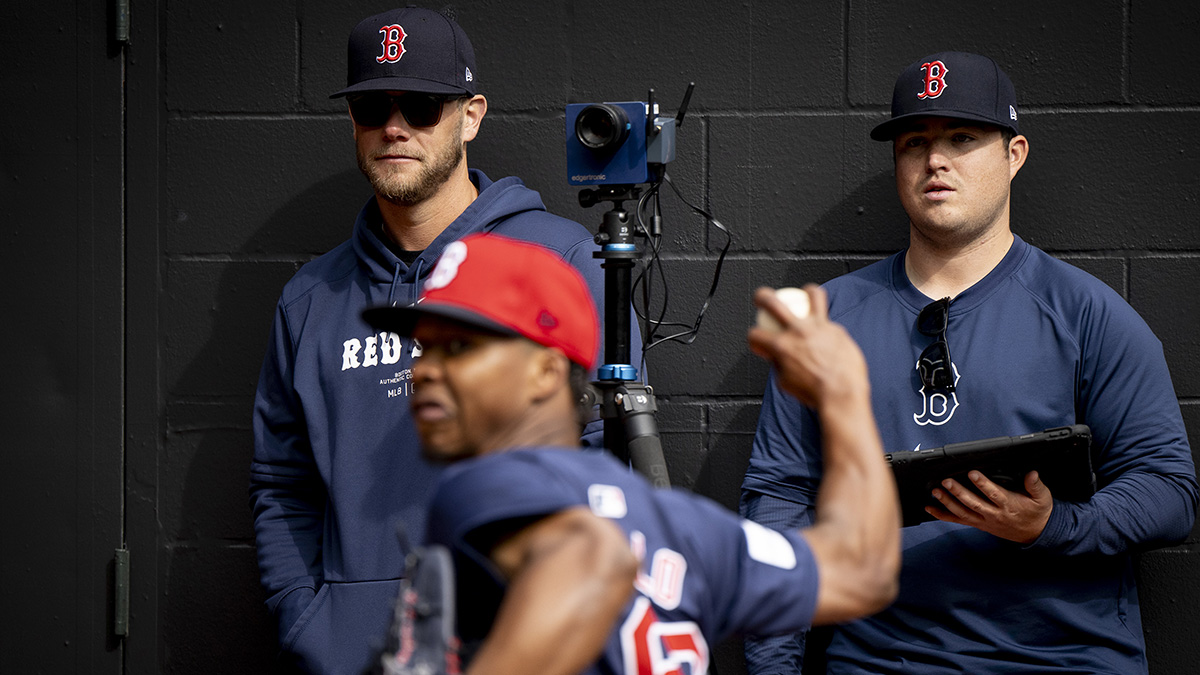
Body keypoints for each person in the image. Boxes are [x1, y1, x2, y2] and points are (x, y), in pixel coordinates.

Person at [740, 51, 1199, 674]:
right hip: (881, 660)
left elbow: (1169, 492)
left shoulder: (1087, 312)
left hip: (1059, 660)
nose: (935, 160)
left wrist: (1052, 525)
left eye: (963, 137)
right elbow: (780, 499)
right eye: (914, 142)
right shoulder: (826, 319)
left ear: (1014, 155)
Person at [248, 8, 633, 673]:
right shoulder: (311, 299)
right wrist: (309, 621)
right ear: (353, 121)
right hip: (354, 655)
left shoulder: (560, 261)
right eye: (373, 106)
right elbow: (282, 481)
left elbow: (609, 464)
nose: (394, 128)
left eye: (423, 106)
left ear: (472, 115)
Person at [359, 233, 901, 675]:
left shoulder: (489, 484)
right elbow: (860, 571)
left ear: (545, 372)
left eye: (459, 347)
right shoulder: (680, 524)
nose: (426, 369)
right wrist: (845, 396)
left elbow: (593, 559)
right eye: (424, 347)